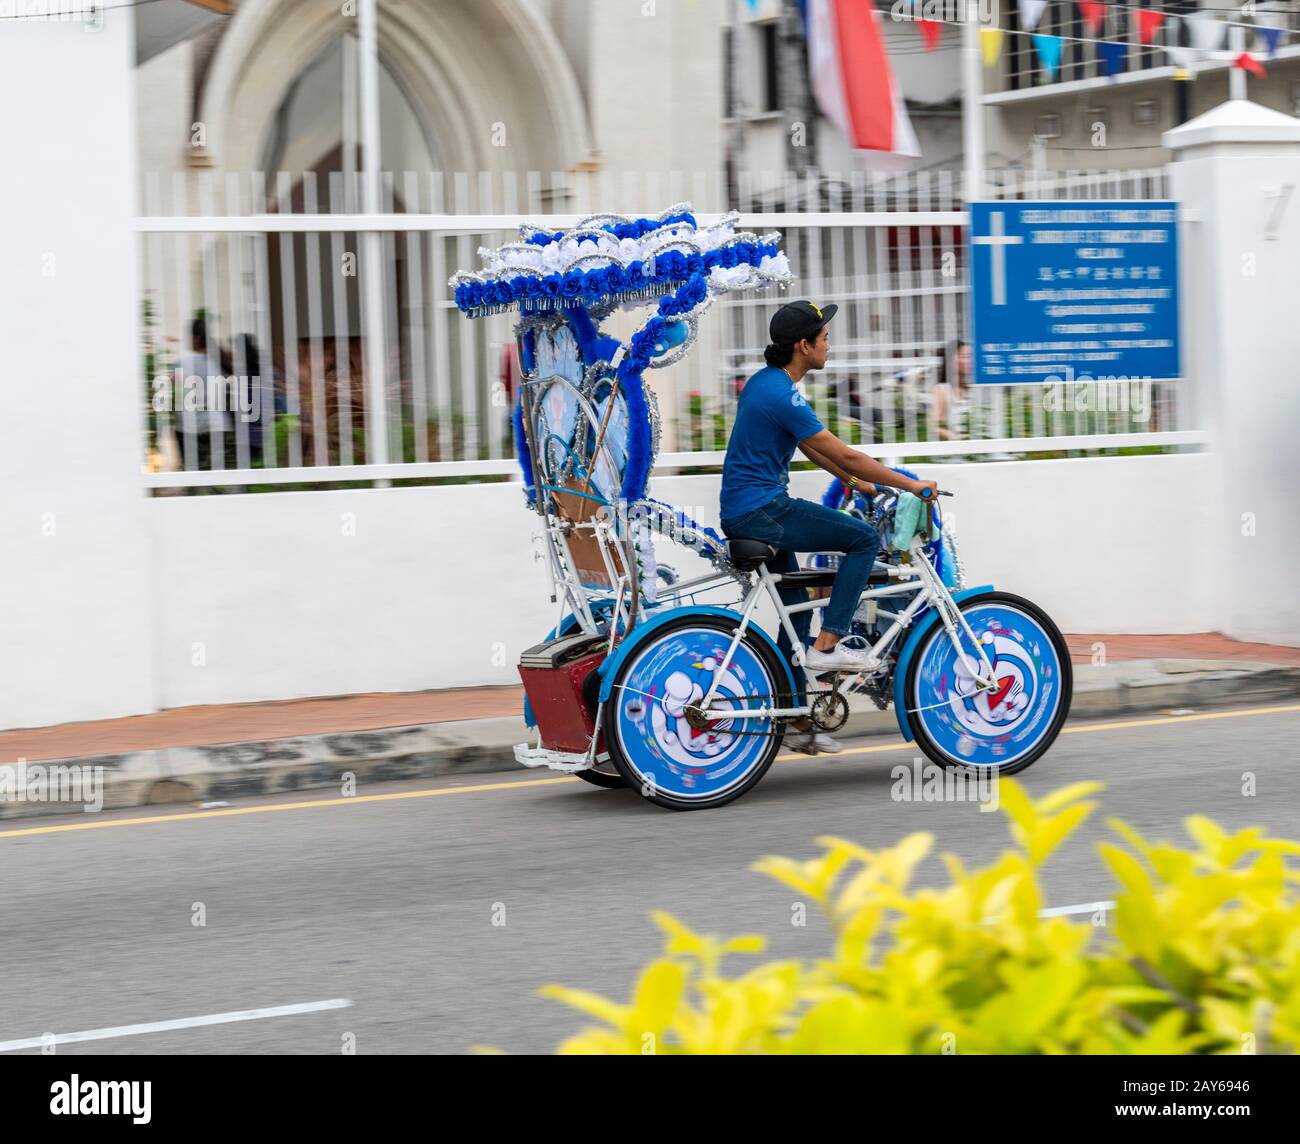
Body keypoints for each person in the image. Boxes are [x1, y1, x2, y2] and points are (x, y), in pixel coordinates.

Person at [719, 300, 938, 754]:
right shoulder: (781, 394)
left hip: (748, 509)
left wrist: (855, 483)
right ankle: (829, 644)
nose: (829, 345)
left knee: (795, 604)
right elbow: (845, 452)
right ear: (804, 346)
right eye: (824, 338)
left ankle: (795, 718)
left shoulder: (767, 384)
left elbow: (815, 449)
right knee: (859, 539)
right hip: (763, 511)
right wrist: (912, 485)